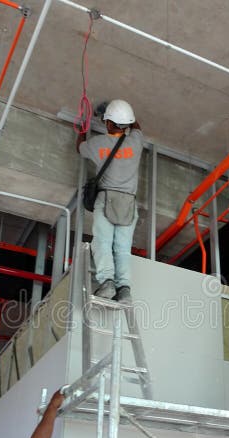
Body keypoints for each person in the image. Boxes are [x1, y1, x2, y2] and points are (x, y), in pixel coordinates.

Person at [77, 99, 143, 303]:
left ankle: (107, 284)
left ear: (108, 123)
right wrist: (123, 117)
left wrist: (82, 128)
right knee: (122, 248)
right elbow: (137, 126)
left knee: (103, 243)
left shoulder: (98, 144)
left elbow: (80, 148)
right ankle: (124, 290)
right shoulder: (136, 142)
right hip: (129, 205)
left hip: (106, 200)